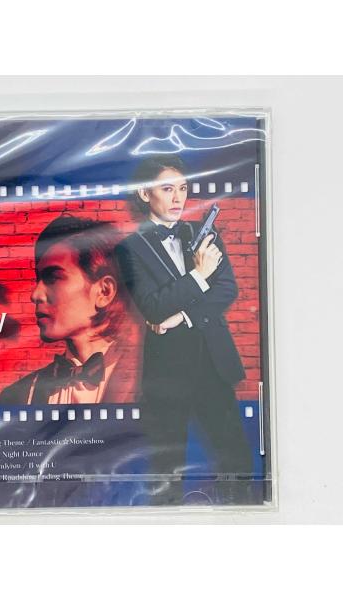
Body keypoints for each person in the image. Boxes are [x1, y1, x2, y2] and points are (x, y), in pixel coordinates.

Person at [114, 154, 254, 504]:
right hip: (168, 371)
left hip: (213, 362)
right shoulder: (129, 249)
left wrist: (184, 317)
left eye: (183, 189)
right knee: (167, 469)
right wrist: (199, 276)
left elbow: (228, 289)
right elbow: (153, 306)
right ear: (145, 194)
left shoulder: (203, 233)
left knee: (236, 459)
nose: (178, 198)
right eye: (167, 189)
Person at [0, 215, 138, 405]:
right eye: (38, 279)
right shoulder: (17, 396)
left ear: (104, 291)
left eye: (53, 278)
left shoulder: (149, 376)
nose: (35, 294)